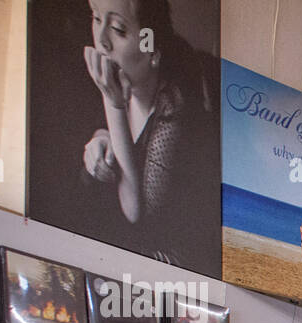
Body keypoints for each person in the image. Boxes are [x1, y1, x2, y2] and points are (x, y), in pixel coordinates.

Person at [81, 0, 217, 268]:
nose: (102, 41)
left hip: (172, 270)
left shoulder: (174, 108)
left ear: (152, 52)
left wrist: (113, 104)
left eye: (119, 30)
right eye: (97, 18)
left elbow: (137, 216)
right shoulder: (119, 77)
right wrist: (101, 139)